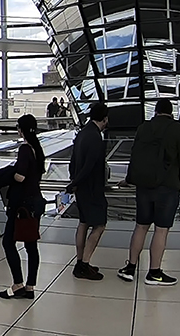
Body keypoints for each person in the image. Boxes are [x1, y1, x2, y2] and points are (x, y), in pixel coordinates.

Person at [118, 99, 180, 286]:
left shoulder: (143, 128)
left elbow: (135, 154)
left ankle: (130, 268)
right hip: (167, 187)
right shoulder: (177, 129)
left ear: (155, 111)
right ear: (171, 112)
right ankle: (154, 273)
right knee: (161, 230)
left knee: (141, 226)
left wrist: (129, 180)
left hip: (143, 187)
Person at [0, 114, 46, 300]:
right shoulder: (37, 148)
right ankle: (30, 286)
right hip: (36, 202)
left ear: (21, 129)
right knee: (31, 244)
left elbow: (20, 176)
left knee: (8, 242)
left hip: (21, 205)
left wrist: (9, 173)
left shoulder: (25, 149)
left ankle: (18, 284)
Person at [67, 102, 108, 280]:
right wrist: (77, 181)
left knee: (83, 222)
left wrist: (74, 181)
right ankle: (84, 264)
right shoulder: (96, 137)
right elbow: (90, 165)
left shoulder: (83, 133)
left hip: (82, 189)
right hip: (92, 188)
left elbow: (74, 161)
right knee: (99, 225)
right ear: (105, 119)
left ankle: (80, 261)